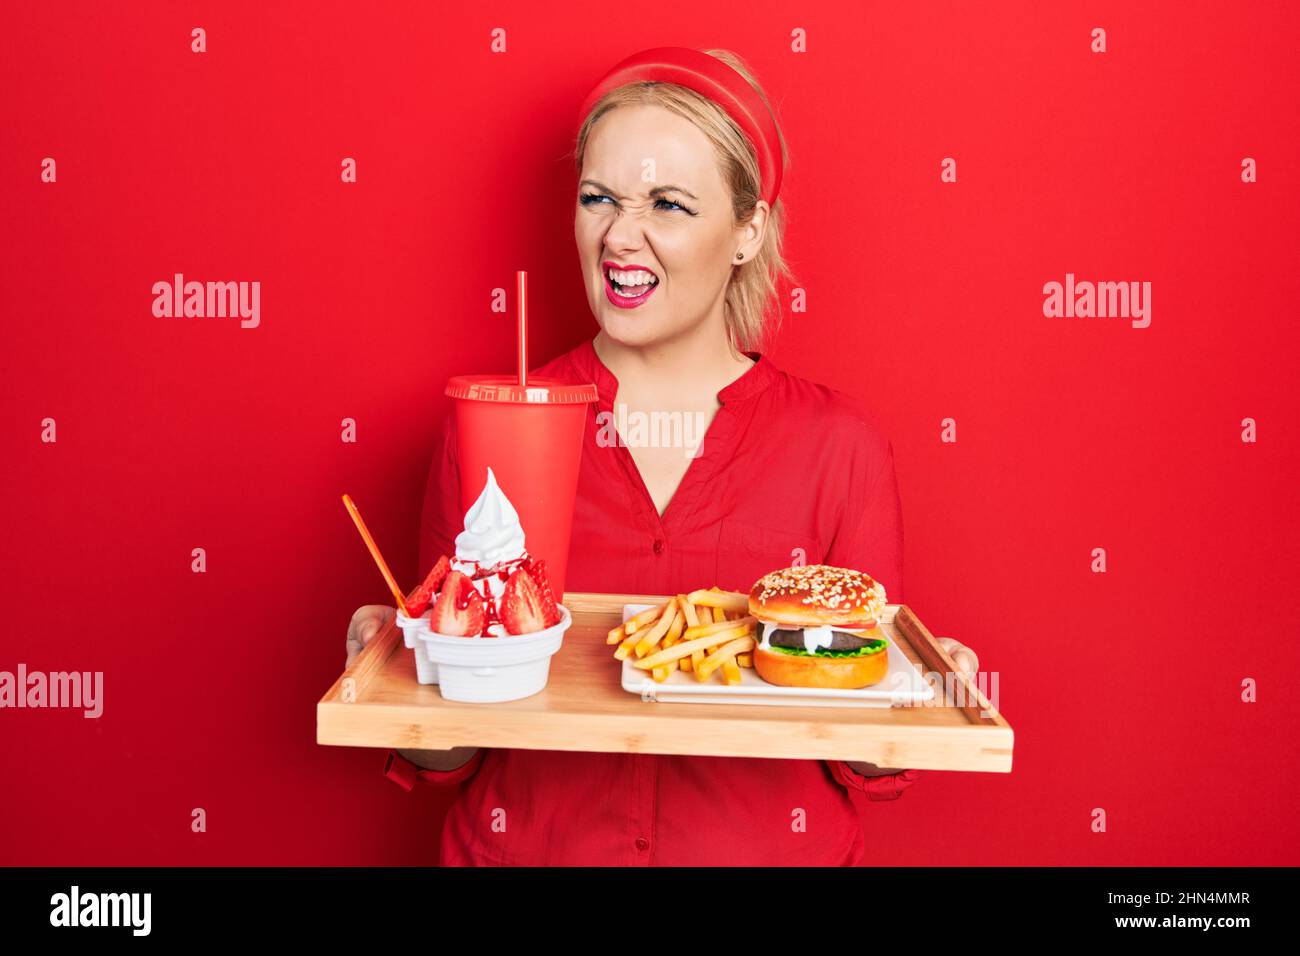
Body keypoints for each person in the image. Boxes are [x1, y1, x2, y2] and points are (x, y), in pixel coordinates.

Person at [345, 47, 979, 865]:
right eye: (598, 198)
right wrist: (400, 677)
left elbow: (868, 757)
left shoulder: (840, 445)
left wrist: (922, 692)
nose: (619, 236)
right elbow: (448, 753)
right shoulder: (492, 425)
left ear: (748, 231)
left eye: (668, 204)